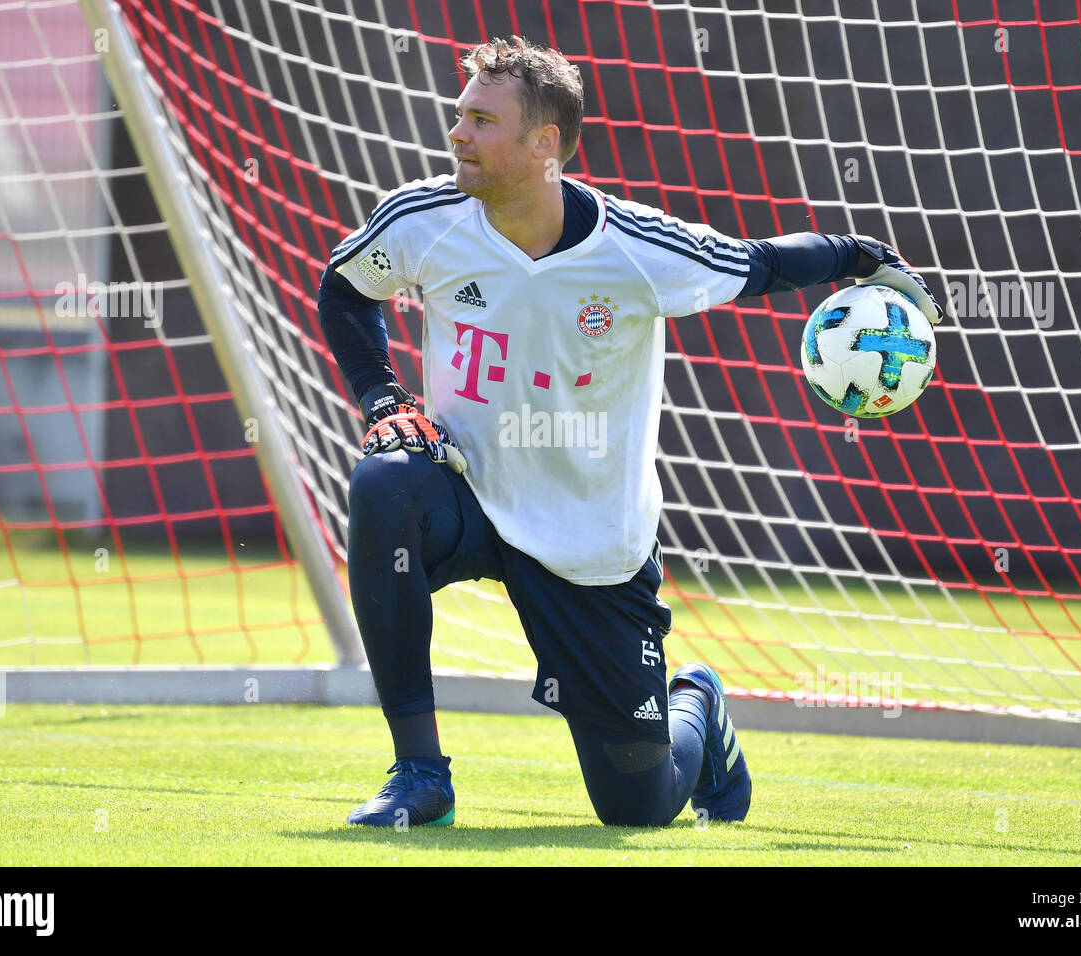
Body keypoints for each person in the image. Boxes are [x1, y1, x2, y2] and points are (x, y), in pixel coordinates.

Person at [317, 35, 943, 828]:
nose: (457, 136)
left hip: (591, 542)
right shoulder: (425, 217)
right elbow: (344, 290)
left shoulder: (638, 249)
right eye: (459, 116)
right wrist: (382, 399)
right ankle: (420, 773)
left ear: (544, 144)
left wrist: (857, 257)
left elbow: (755, 265)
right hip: (467, 488)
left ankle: (698, 704)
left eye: (480, 120)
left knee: (636, 805)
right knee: (383, 483)